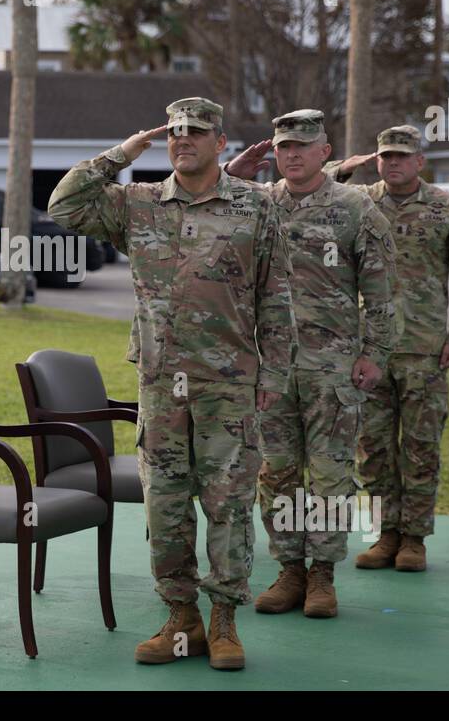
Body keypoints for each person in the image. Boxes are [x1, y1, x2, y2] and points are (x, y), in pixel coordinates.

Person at [49, 96, 297, 671]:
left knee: (228, 505)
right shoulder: (138, 205)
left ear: (220, 142)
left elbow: (276, 296)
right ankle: (181, 619)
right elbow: (64, 206)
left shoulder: (256, 209)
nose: (182, 140)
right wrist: (122, 152)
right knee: (165, 506)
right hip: (163, 384)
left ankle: (225, 621)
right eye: (174, 133)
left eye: (196, 132)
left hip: (230, 383)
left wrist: (275, 374)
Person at [267, 125, 449, 572]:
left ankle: (414, 538)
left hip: (424, 347)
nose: (393, 164)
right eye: (386, 156)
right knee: (373, 447)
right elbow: (308, 179)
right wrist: (343, 165)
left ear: (420, 161)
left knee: (421, 446)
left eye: (403, 156)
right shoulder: (361, 201)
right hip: (365, 348)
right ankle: (386, 533)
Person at [226, 110, 397, 618]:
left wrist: (376, 352)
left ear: (326, 152)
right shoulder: (261, 203)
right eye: (283, 147)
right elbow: (210, 198)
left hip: (334, 367)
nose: (292, 154)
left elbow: (382, 292)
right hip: (271, 369)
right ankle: (290, 570)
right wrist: (236, 170)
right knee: (276, 473)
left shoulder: (355, 208)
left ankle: (322, 574)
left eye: (303, 145)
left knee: (329, 474)